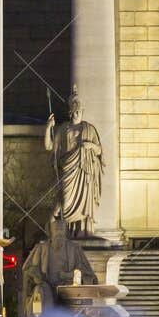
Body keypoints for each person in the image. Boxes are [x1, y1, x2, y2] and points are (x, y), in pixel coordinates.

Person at [46, 90, 103, 237]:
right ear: (70, 112)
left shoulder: (89, 129)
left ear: (82, 111)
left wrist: (89, 145)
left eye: (79, 111)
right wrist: (48, 128)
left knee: (83, 202)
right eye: (74, 111)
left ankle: (82, 231)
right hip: (68, 170)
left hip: (84, 171)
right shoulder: (64, 128)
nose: (76, 113)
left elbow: (99, 150)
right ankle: (62, 231)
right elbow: (49, 146)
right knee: (64, 203)